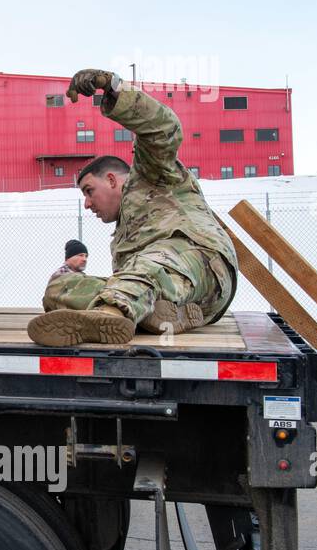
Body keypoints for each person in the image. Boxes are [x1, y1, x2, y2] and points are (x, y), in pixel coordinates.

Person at [28, 69, 239, 347]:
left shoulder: (152, 175)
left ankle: (110, 313)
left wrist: (114, 89)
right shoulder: (123, 236)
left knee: (147, 265)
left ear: (112, 179)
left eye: (89, 192)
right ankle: (159, 316)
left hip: (203, 267)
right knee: (59, 288)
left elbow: (164, 129)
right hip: (167, 291)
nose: (87, 204)